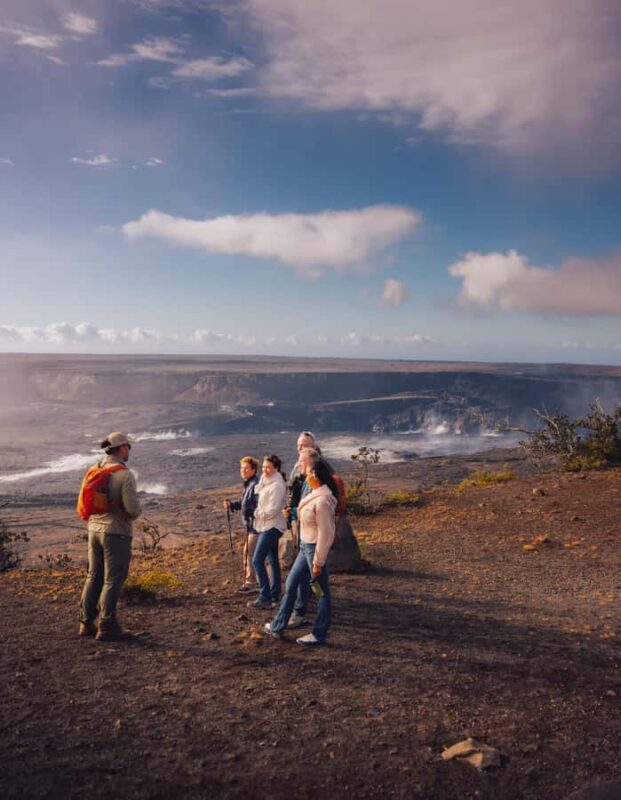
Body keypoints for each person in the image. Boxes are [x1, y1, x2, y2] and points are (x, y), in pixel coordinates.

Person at [265, 458, 337, 647]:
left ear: (316, 476)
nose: (306, 476)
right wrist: (295, 512)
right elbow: (309, 515)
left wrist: (318, 562)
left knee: (321, 592)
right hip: (306, 548)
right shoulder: (316, 494)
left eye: (309, 473)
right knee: (291, 583)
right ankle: (278, 624)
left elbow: (327, 533)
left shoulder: (323, 501)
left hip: (314, 550)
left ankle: (319, 634)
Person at [78, 432, 142, 641]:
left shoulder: (95, 469)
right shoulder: (124, 474)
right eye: (128, 447)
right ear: (122, 448)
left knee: (94, 575)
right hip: (116, 532)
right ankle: (107, 625)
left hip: (94, 529)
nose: (129, 450)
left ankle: (86, 622)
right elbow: (132, 510)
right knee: (114, 578)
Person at [248, 455, 287, 610]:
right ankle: (274, 594)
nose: (265, 470)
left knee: (257, 560)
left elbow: (272, 510)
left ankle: (265, 597)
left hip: (272, 526)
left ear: (276, 468)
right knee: (272, 560)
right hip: (267, 525)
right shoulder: (267, 480)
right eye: (263, 467)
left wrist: (256, 513)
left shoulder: (277, 485)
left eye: (268, 467)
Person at [223, 456, 259, 593]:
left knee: (249, 553)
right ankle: (255, 582)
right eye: (241, 468)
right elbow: (244, 504)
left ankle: (251, 583)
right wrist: (232, 505)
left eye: (246, 468)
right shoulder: (249, 483)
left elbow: (256, 505)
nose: (243, 471)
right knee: (251, 553)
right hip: (251, 526)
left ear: (253, 470)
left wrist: (251, 515)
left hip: (255, 526)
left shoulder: (255, 485)